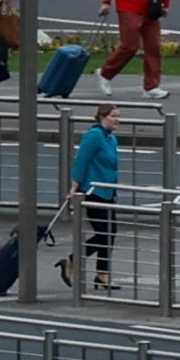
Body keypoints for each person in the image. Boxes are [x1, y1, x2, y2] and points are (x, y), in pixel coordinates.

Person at [67, 101, 121, 291]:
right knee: (104, 233)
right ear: (101, 117)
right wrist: (74, 186)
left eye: (118, 116)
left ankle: (102, 273)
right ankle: (74, 261)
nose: (117, 120)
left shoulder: (111, 139)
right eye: (113, 116)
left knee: (109, 232)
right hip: (93, 191)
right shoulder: (94, 136)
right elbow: (81, 161)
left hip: (108, 191)